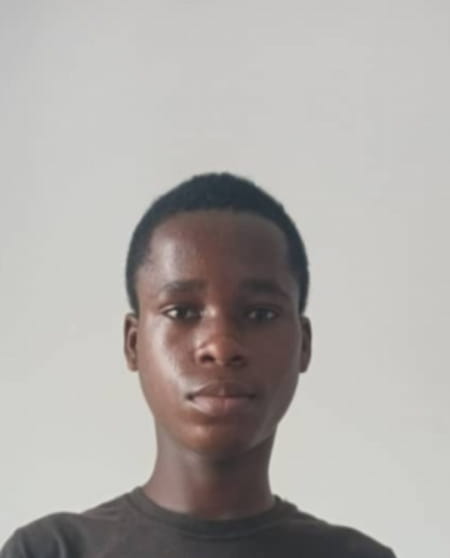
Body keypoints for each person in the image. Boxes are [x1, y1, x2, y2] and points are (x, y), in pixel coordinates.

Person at [1, 173, 396, 557]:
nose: (221, 346)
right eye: (182, 311)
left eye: (260, 313)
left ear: (304, 345)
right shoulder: (50, 551)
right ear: (134, 344)